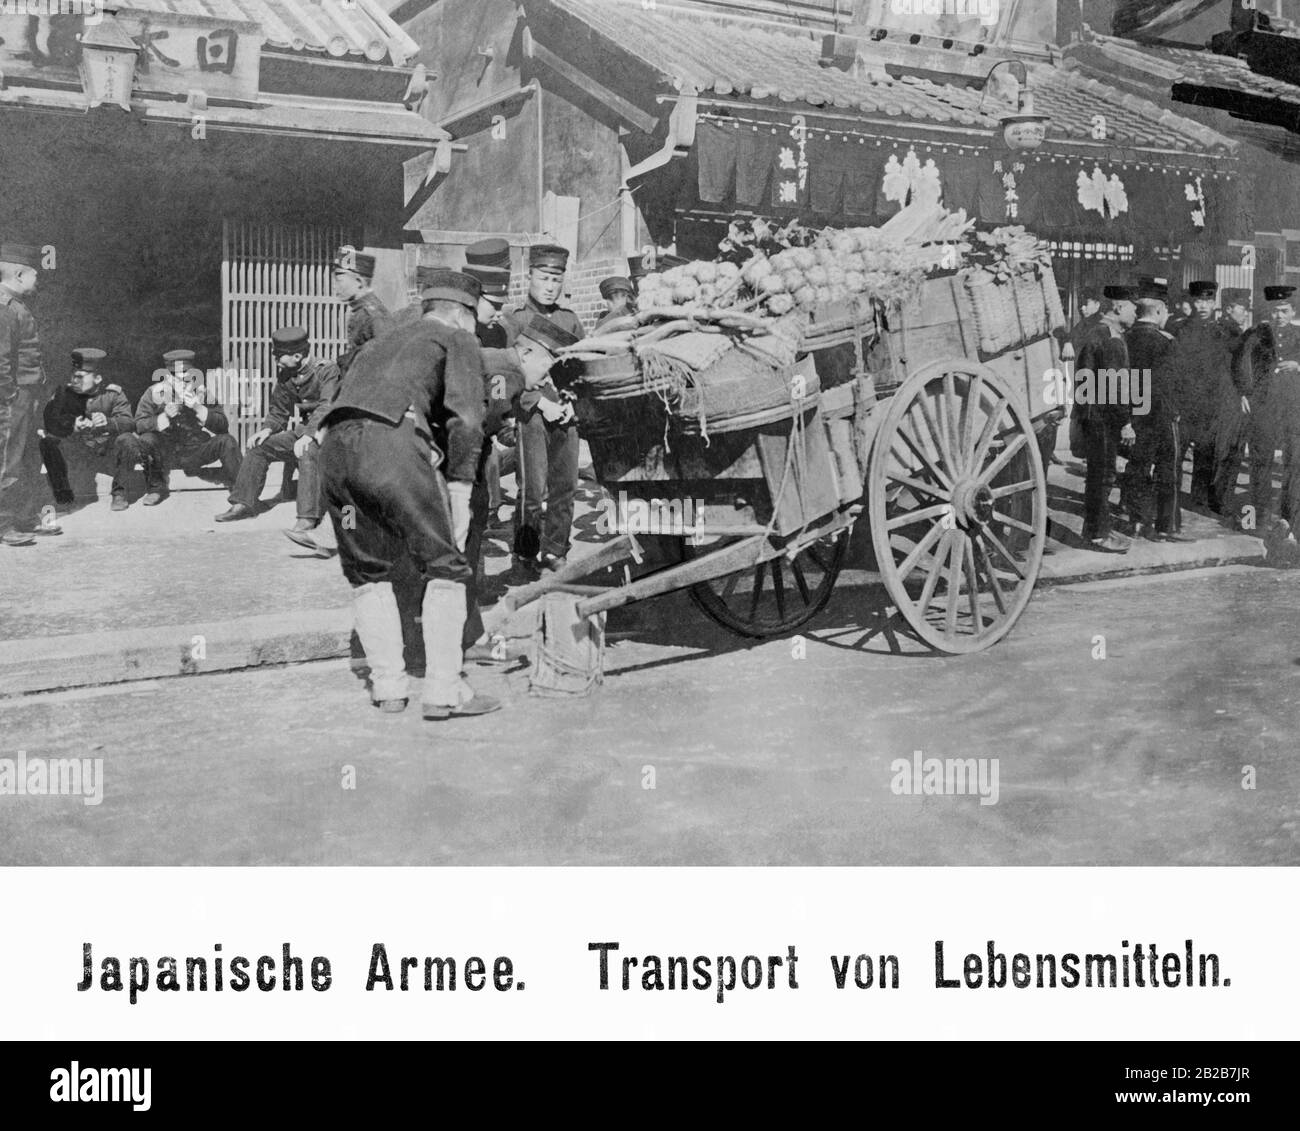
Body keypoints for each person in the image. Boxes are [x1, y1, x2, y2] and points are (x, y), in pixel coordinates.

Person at [318, 268, 495, 720]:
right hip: (390, 447)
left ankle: (388, 687)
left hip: (336, 454)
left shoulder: (377, 343)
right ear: (461, 314)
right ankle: (444, 690)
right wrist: (458, 490)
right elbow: (467, 420)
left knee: (368, 572)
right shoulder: (457, 338)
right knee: (446, 566)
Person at [504, 243, 583, 574]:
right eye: (544, 277)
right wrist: (541, 403)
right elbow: (509, 375)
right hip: (532, 415)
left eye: (556, 279)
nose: (550, 286)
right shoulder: (515, 321)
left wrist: (571, 404)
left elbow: (582, 369)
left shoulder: (571, 321)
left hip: (566, 413)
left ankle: (555, 549)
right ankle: (525, 553)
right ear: (530, 277)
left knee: (565, 487)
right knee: (533, 491)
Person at [216, 327, 331, 524]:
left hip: (330, 433)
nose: (276, 360)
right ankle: (243, 503)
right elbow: (279, 410)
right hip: (304, 432)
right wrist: (266, 430)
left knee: (307, 449)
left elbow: (327, 406)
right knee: (259, 447)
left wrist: (308, 435)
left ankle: (307, 517)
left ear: (297, 355)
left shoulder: (326, 370)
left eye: (279, 356)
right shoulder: (287, 374)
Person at [0, 241, 59, 547]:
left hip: (26, 396)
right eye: (35, 275)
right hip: (14, 399)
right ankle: (4, 524)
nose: (39, 281)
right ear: (20, 275)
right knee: (7, 462)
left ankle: (23, 518)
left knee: (26, 459)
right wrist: (10, 398)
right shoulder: (4, 309)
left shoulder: (18, 306)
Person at [1231, 285, 1300, 531]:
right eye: (1274, 311)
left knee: (1294, 464)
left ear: (1292, 312)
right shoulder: (1256, 334)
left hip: (1293, 409)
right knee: (1261, 462)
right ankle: (1255, 520)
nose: (1278, 316)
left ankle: (1289, 520)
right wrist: (1243, 393)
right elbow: (1239, 362)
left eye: (1283, 311)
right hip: (1264, 406)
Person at [135, 350, 241, 506]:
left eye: (186, 373)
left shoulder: (202, 392)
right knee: (147, 439)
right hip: (164, 454)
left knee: (227, 441)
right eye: (176, 375)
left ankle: (241, 491)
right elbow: (139, 424)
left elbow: (222, 425)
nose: (183, 378)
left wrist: (198, 407)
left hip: (193, 451)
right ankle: (156, 489)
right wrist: (164, 417)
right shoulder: (153, 393)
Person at [39, 348, 140, 512]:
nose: (74, 381)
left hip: (107, 453)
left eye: (80, 377)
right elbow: (49, 421)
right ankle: (63, 494)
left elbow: (129, 422)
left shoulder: (112, 394)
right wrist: (72, 425)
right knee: (49, 442)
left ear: (98, 378)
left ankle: (120, 493)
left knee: (128, 440)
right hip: (80, 454)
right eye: (73, 376)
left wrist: (107, 422)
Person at [1076, 284, 1137, 553]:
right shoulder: (1111, 337)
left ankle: (1095, 528)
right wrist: (1124, 421)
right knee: (1103, 475)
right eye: (1133, 309)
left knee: (1097, 474)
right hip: (1103, 416)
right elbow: (1116, 385)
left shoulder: (1095, 331)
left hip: (1091, 413)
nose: (1135, 314)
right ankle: (1098, 534)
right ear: (1119, 307)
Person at [1124, 299, 1189, 542]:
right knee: (1168, 470)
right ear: (1159, 313)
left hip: (1135, 413)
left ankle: (1136, 522)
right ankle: (1165, 526)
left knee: (1137, 467)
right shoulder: (1166, 341)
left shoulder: (1124, 338)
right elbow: (1173, 382)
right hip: (1161, 414)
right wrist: (1176, 411)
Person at [1170, 280, 1233, 513]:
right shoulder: (1178, 328)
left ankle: (1199, 500)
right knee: (1176, 453)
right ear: (1192, 302)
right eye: (1198, 300)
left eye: (1208, 300)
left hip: (1210, 403)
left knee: (1205, 453)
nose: (1203, 305)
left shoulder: (1223, 331)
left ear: (1214, 302)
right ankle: (1170, 499)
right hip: (1184, 402)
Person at [1210, 288, 1251, 513]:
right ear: (1228, 309)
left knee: (1226, 449)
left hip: (1226, 396)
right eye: (1241, 308)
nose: (1245, 312)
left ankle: (1219, 497)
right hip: (1231, 398)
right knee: (1229, 450)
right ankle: (1222, 500)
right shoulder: (1231, 333)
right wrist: (1243, 392)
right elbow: (1237, 368)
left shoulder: (1223, 330)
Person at [330, 246, 392, 382]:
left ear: (359, 282)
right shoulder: (361, 311)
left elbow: (387, 363)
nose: (335, 286)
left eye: (339, 280)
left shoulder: (373, 315)